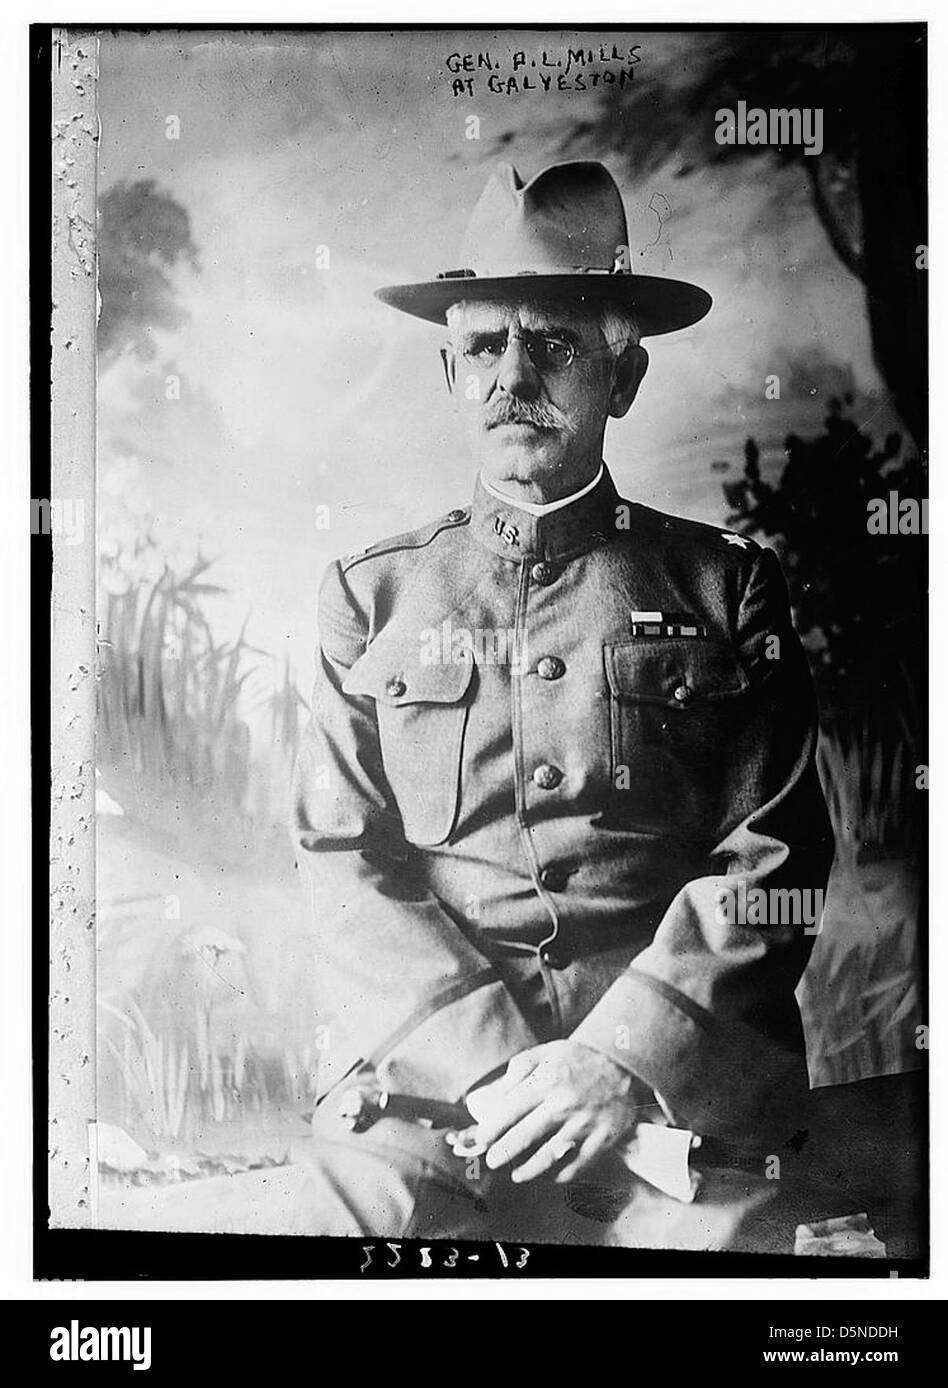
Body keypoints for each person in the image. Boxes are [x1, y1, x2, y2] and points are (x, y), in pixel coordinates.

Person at [290, 160, 834, 1246]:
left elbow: (776, 860)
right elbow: (341, 859)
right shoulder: (373, 595)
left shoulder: (728, 590)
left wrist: (619, 1058)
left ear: (620, 379)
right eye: (485, 348)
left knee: (725, 1267)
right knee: (354, 1233)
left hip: (673, 1100)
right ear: (450, 370)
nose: (512, 380)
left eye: (552, 347)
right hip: (435, 1097)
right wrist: (495, 1071)